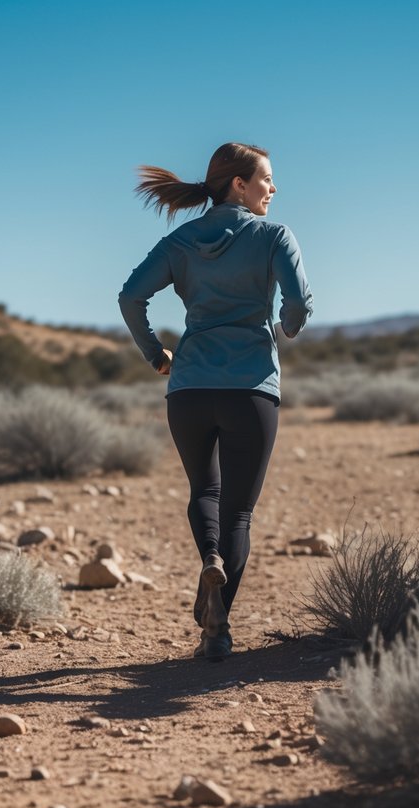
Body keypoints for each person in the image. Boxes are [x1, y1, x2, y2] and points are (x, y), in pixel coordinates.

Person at [118, 142, 313, 660]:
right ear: (239, 185)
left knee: (204, 488)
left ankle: (209, 559)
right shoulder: (275, 236)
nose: (273, 188)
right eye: (266, 179)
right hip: (251, 388)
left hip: (189, 389)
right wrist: (287, 328)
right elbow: (296, 304)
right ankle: (217, 626)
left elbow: (130, 296)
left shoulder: (181, 239)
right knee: (239, 514)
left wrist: (155, 352)